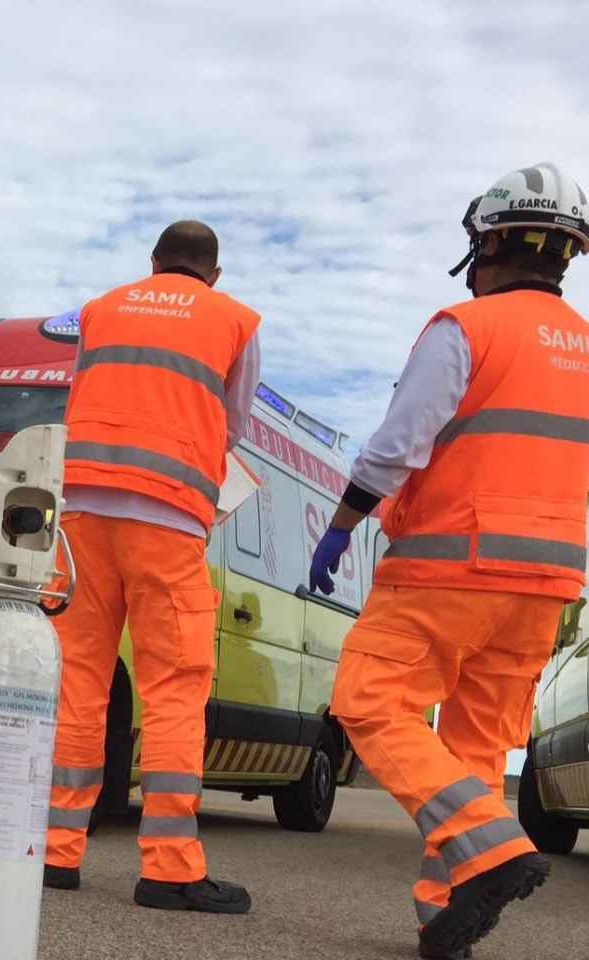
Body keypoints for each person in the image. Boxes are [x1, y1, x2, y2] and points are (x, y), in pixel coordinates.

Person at [311, 163, 589, 960]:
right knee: (474, 750)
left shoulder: (465, 328)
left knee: (368, 700)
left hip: (448, 564)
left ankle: (490, 849)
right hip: (547, 582)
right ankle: (444, 916)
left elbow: (397, 445)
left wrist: (342, 525)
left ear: (488, 243)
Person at [44, 220, 261, 914]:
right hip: (168, 516)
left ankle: (54, 851)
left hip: (80, 513)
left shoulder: (101, 310)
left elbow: (79, 396)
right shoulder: (234, 320)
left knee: (79, 680)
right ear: (213, 274)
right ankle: (168, 866)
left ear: (153, 263)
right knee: (174, 687)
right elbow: (233, 424)